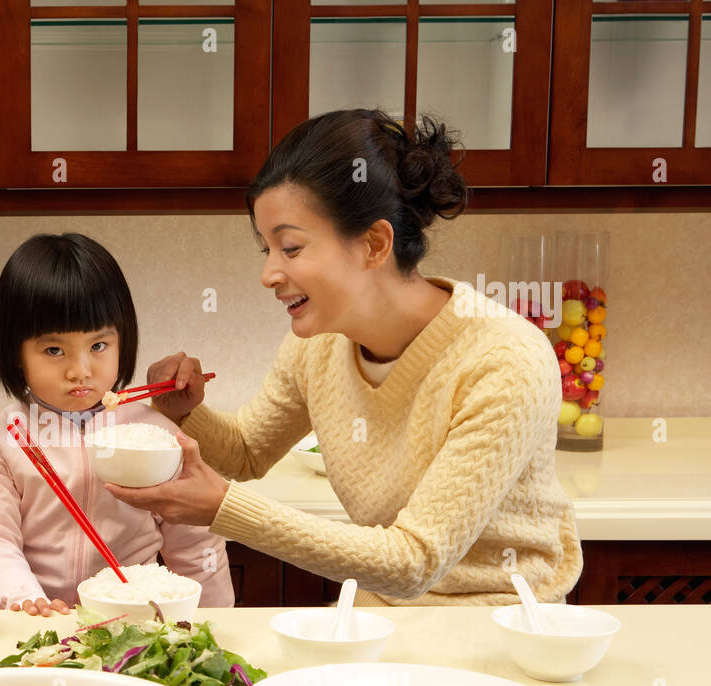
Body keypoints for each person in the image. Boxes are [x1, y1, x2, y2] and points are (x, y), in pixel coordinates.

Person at [106, 110, 583, 605]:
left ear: (374, 244)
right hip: (386, 613)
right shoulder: (319, 343)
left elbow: (414, 561)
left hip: (503, 625)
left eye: (290, 247)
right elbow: (247, 452)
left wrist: (224, 509)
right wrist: (185, 411)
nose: (269, 273)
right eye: (266, 248)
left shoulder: (505, 360)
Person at [0, 233, 235, 615]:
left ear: (123, 340)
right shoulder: (0, 441)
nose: (80, 371)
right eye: (54, 350)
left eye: (99, 346)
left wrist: (216, 621)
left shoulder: (157, 436)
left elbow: (193, 542)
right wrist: (23, 598)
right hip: (31, 625)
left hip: (130, 622)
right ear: (16, 353)